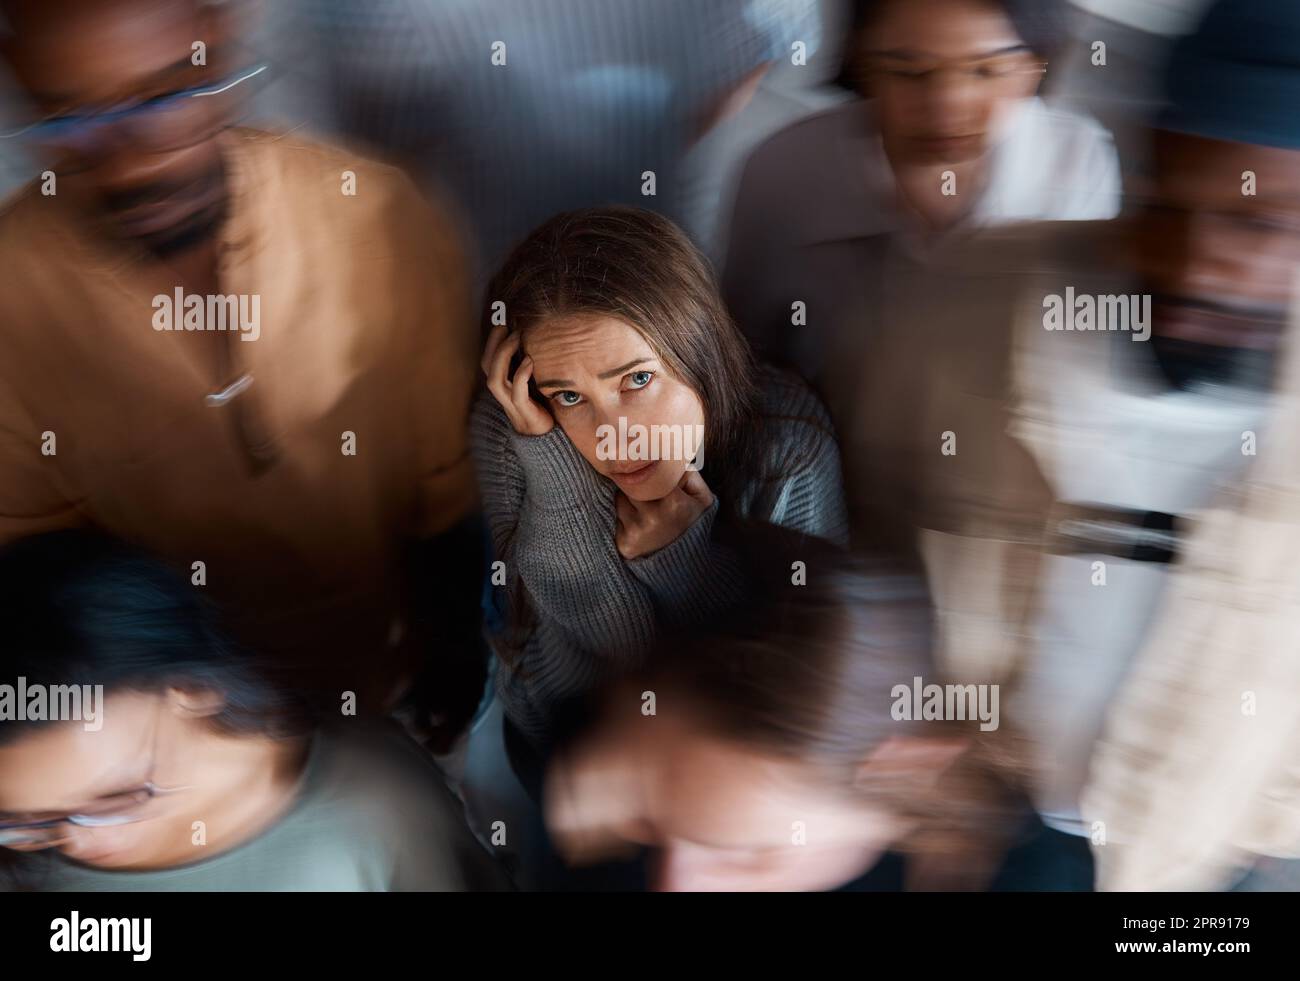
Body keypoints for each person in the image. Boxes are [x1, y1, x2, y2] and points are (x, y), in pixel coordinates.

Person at [837, 0, 1300, 890]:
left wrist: (1267, 814)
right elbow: (864, 537)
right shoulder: (959, 309)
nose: (1189, 261)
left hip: (1207, 871)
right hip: (972, 832)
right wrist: (912, 734)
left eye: (1256, 224)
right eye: (1162, 201)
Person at [0, 0, 484, 737]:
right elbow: (50, 590)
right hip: (174, 745)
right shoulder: (13, 297)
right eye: (70, 123)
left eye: (165, 97)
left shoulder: (378, 217)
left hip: (403, 694)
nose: (130, 165)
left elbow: (448, 506)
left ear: (220, 41)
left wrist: (446, 690)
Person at [471, 206, 849, 763]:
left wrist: (685, 566)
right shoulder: (515, 431)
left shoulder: (787, 449)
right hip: (569, 759)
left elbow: (775, 698)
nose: (613, 438)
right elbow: (559, 690)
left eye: (638, 380)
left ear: (699, 347)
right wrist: (558, 478)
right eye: (569, 396)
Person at [543, 547, 1079, 892]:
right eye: (650, 822)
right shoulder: (594, 774)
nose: (672, 885)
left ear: (911, 772)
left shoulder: (1042, 873)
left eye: (754, 857)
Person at [0, 531, 508, 891]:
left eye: (117, 797)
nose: (82, 844)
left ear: (191, 693)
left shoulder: (373, 804)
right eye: (27, 823)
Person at [722, 0, 1120, 392]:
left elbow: (1072, 378)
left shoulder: (1076, 164)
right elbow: (741, 361)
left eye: (987, 70)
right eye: (908, 72)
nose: (946, 104)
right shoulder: (785, 169)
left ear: (1037, 64)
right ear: (861, 59)